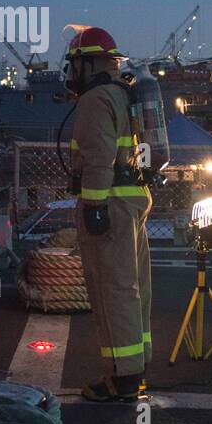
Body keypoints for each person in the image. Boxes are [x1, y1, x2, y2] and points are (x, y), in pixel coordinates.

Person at [63, 25, 153, 402]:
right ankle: (137, 364)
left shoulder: (96, 99)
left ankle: (124, 378)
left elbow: (98, 157)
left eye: (76, 65)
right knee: (133, 289)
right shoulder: (125, 94)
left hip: (110, 202)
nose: (72, 73)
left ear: (90, 64)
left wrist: (94, 207)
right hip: (133, 197)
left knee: (112, 290)